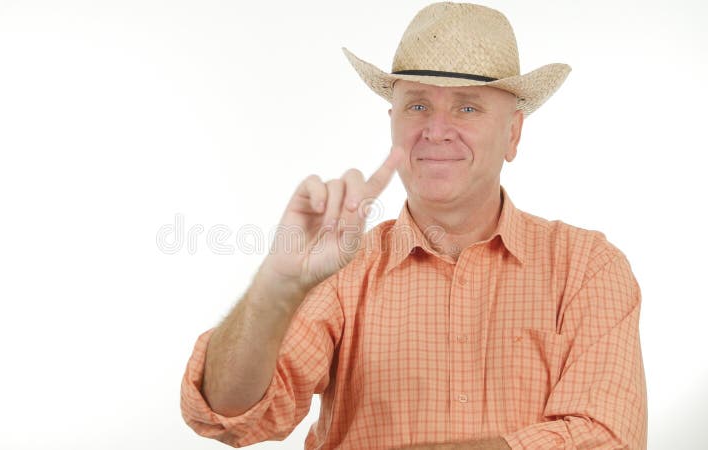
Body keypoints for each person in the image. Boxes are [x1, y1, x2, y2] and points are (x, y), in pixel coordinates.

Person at [180, 2, 647, 449]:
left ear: (513, 133)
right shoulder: (339, 267)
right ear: (393, 122)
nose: (436, 130)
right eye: (417, 106)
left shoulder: (587, 267)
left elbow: (608, 439)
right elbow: (230, 417)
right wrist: (276, 287)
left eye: (467, 107)